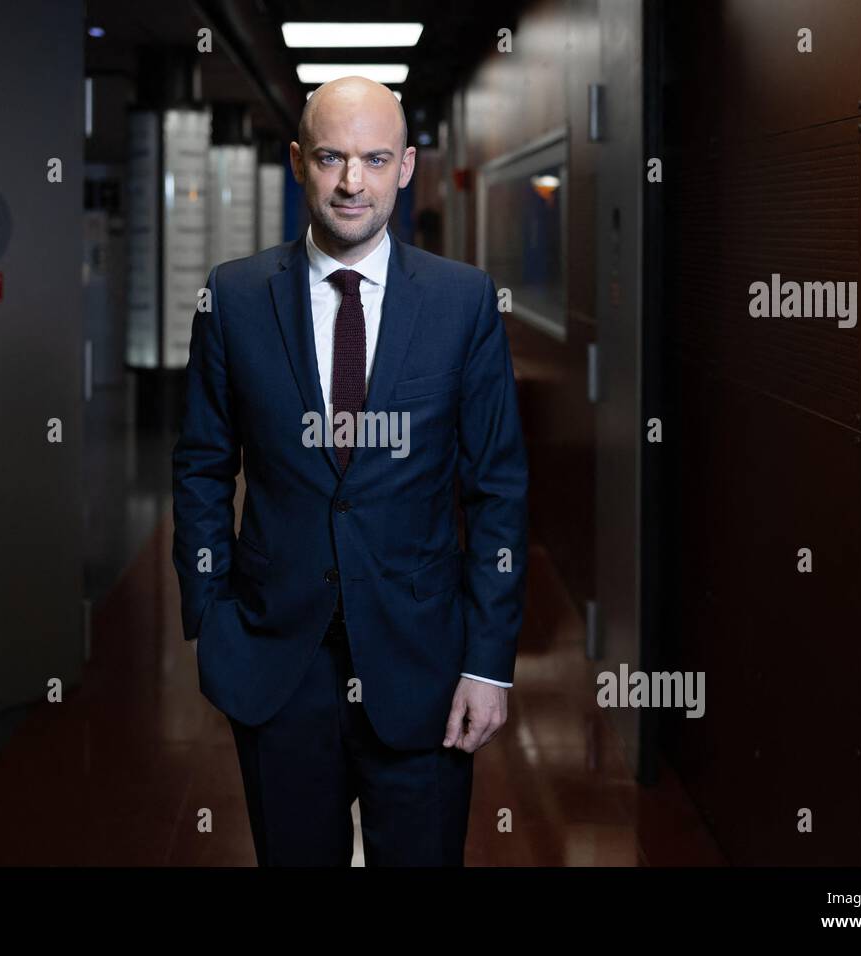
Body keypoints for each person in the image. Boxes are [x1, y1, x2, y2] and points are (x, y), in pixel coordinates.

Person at [172, 76, 528, 866]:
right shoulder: (231, 298)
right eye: (331, 157)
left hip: (424, 665)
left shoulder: (462, 302)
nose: (351, 182)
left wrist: (487, 662)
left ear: (406, 167)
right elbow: (200, 465)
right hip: (277, 663)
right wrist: (210, 615)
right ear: (299, 161)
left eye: (373, 159)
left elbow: (497, 487)